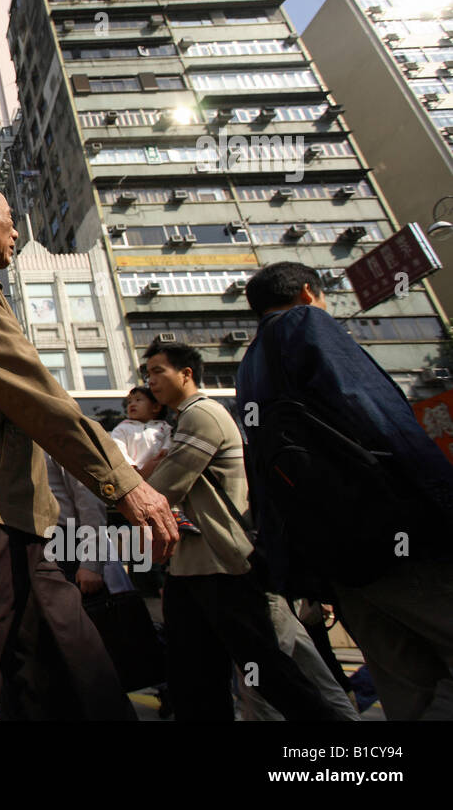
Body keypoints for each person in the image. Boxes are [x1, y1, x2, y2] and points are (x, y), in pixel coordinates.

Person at [0, 177, 178, 721]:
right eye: (9, 216)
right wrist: (125, 483)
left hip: (20, 523)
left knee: (75, 675)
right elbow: (31, 389)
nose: (17, 230)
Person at [237, 260, 453, 719]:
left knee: (407, 689)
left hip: (334, 557)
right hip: (395, 538)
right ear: (308, 292)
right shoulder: (306, 322)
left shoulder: (249, 364)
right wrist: (442, 497)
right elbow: (376, 412)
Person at [142, 338, 348, 721]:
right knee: (194, 678)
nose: (151, 381)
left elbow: (161, 488)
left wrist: (140, 477)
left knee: (269, 673)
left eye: (159, 371)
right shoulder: (183, 420)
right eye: (148, 373)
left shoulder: (203, 415)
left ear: (186, 374)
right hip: (192, 568)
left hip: (226, 566)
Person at [111, 386, 198, 536]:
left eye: (138, 400)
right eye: (129, 401)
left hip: (160, 472)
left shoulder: (164, 427)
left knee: (167, 497)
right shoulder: (122, 429)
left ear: (156, 407)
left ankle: (177, 516)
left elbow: (170, 442)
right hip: (136, 478)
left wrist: (165, 451)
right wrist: (133, 467)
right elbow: (117, 449)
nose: (132, 404)